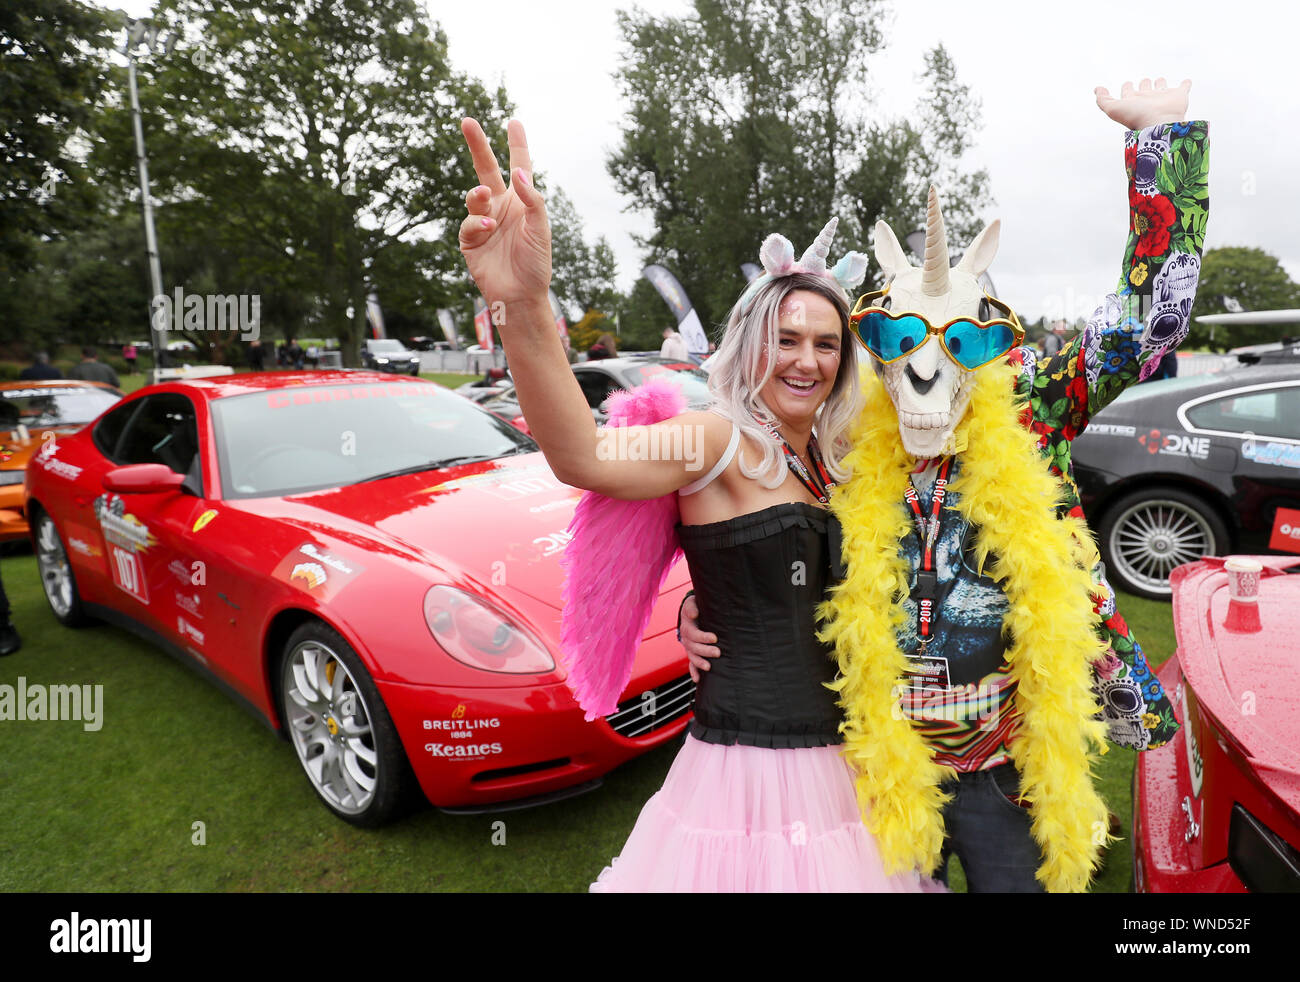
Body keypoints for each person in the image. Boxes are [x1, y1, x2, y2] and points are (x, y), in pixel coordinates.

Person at [682, 78, 1208, 892]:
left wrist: (1160, 142)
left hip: (1008, 765)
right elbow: (738, 515)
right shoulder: (840, 431)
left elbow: (1151, 322)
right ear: (876, 348)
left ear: (991, 350)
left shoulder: (1033, 408)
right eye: (898, 336)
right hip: (873, 768)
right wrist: (696, 608)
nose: (929, 365)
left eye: (963, 341)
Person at [457, 116, 939, 892]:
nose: (807, 359)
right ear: (750, 343)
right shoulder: (713, 440)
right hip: (744, 776)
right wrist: (524, 302)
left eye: (826, 343)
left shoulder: (837, 460)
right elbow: (582, 457)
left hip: (853, 762)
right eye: (787, 338)